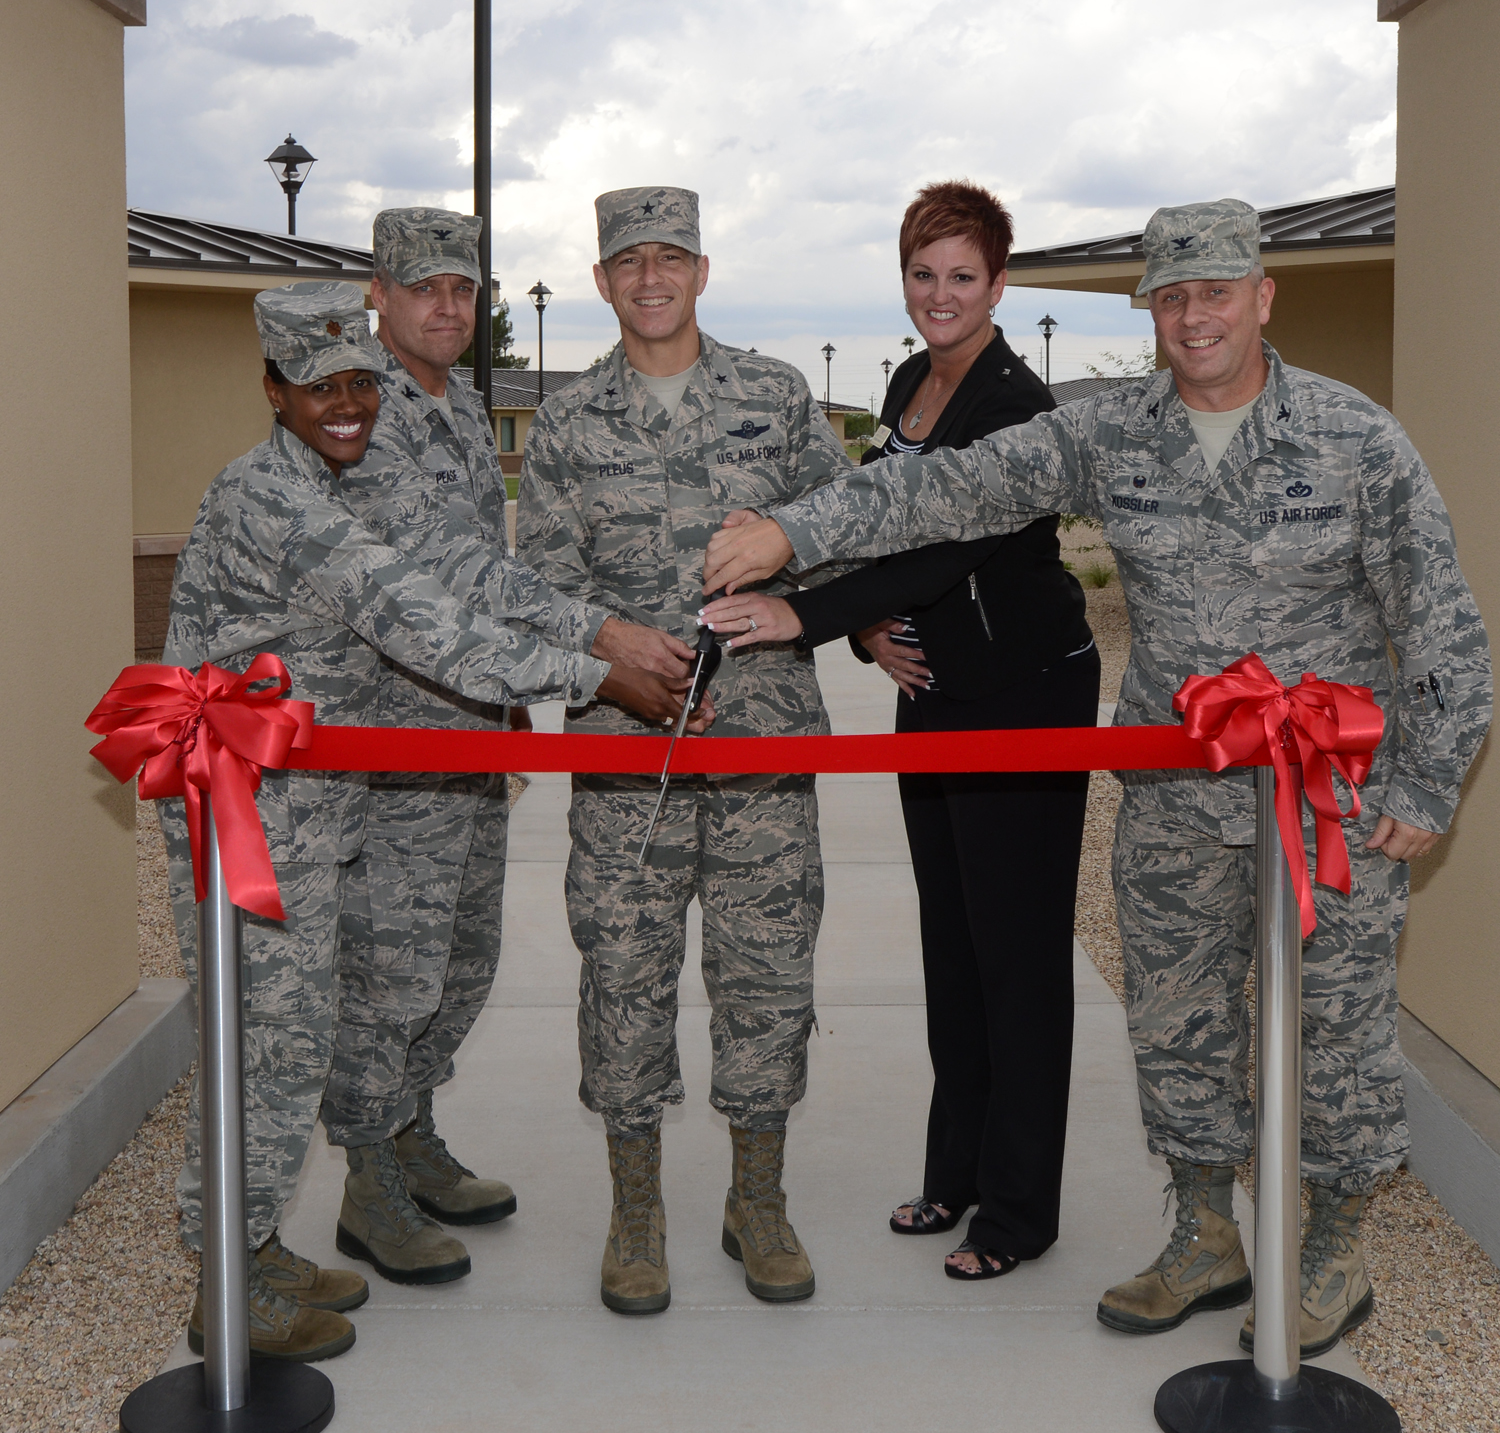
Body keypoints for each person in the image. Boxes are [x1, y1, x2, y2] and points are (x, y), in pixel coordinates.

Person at [704, 197, 1491, 1357]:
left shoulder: (1354, 438)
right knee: (1176, 1027)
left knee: (1337, 1034)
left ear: (1262, 298)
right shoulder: (1110, 433)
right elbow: (942, 488)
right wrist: (793, 534)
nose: (1194, 317)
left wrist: (1425, 787)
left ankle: (1334, 1247)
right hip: (1174, 794)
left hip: (1324, 795)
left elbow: (1443, 626)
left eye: (1215, 292)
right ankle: (1204, 1234)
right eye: (1171, 297)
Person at [163, 285, 697, 1361]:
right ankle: (227, 1282)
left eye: (361, 384)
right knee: (271, 1047)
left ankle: (253, 1249)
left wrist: (595, 632)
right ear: (274, 391)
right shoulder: (277, 502)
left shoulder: (328, 480)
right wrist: (595, 676)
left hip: (306, 807)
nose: (348, 404)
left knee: (294, 1032)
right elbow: (427, 624)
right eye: (320, 386)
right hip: (252, 818)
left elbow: (460, 570)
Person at [703, 180, 1096, 1280]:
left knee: (1018, 957)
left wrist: (806, 617)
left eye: (962, 276)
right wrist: (870, 629)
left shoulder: (1018, 406)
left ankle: (1017, 1214)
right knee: (953, 947)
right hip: (935, 692)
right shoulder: (910, 381)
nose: (941, 295)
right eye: (924, 274)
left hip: (1024, 694)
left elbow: (945, 550)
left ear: (999, 284)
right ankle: (955, 1173)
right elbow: (883, 527)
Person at [322, 210, 699, 1285]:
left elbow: (493, 568)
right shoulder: (363, 412)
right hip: (392, 743)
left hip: (469, 733)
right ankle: (367, 1185)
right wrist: (599, 640)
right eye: (423, 287)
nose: (447, 307)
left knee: (459, 962)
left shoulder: (458, 404)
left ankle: (410, 1136)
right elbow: (459, 570)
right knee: (391, 970)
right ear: (379, 297)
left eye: (462, 288)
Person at [516, 185, 852, 1315]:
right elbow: (542, 586)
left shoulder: (777, 396)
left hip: (763, 747)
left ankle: (757, 1200)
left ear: (703, 273)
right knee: (623, 978)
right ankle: (637, 1211)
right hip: (625, 758)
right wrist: (613, 652)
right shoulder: (569, 423)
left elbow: (847, 531)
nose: (650, 278)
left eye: (671, 258)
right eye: (629, 262)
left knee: (768, 977)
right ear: (602, 281)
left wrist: (786, 566)